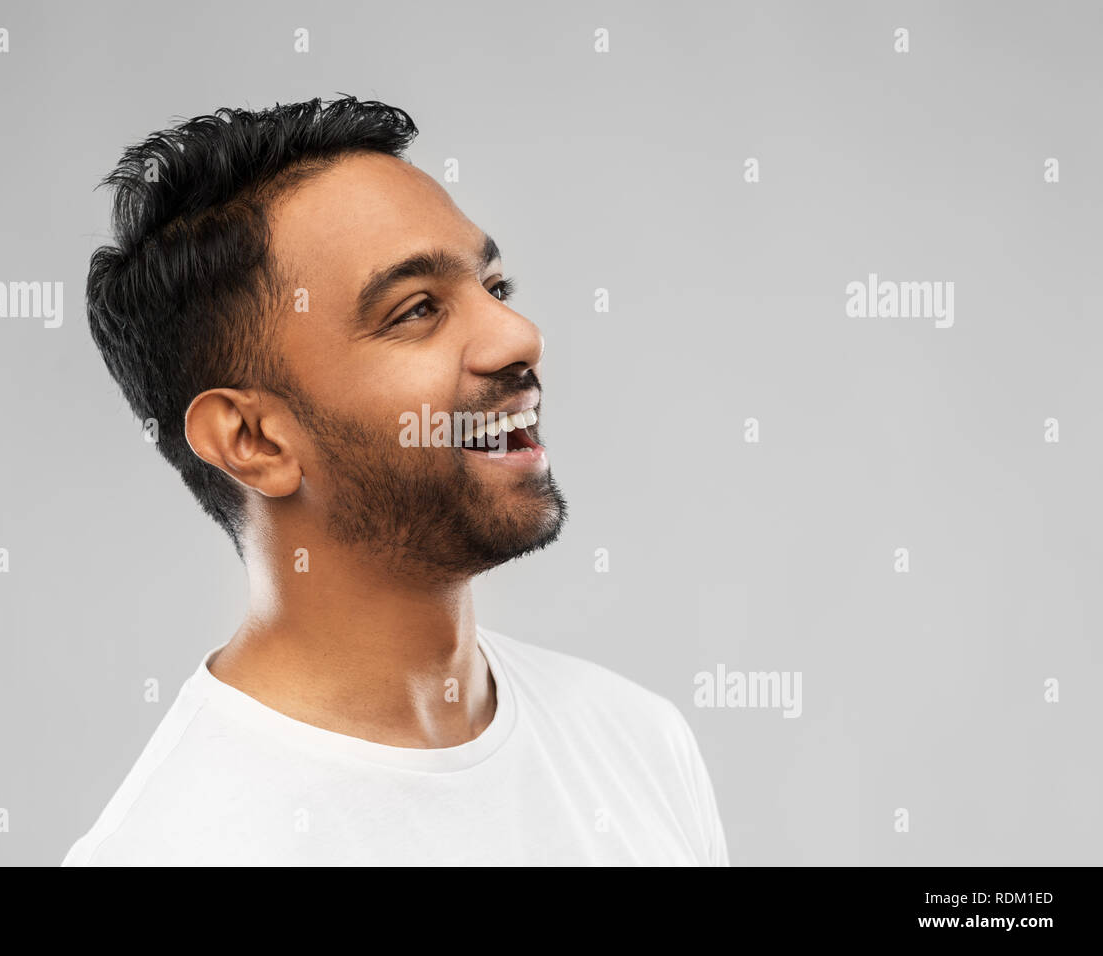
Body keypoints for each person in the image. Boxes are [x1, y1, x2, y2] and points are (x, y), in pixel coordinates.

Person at [63, 96, 729, 865]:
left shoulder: (637, 740)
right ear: (254, 440)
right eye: (416, 310)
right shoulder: (174, 850)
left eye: (496, 288)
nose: (520, 337)